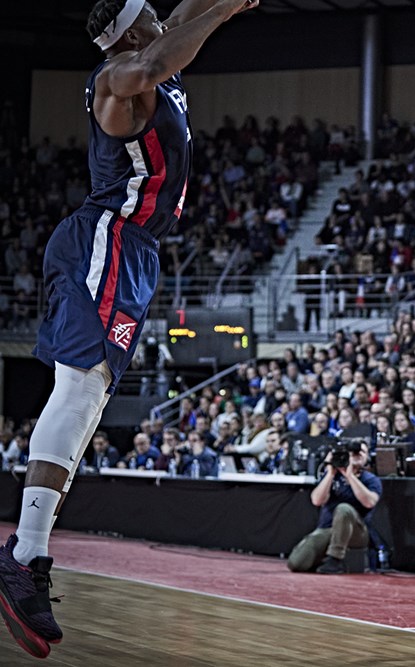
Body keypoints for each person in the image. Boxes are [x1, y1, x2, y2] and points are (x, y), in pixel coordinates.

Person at [0, 1, 258, 659]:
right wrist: (225, 13)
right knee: (80, 388)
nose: (164, 18)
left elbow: (182, 19)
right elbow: (158, 53)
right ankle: (23, 554)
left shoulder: (156, 51)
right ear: (135, 30)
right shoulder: (120, 77)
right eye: (153, 16)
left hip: (135, 250)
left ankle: (27, 553)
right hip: (107, 236)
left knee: (88, 401)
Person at [287, 442, 381, 574]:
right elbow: (317, 500)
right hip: (329, 529)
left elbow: (369, 502)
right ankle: (324, 559)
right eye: (352, 453)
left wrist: (350, 476)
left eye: (361, 452)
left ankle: (335, 560)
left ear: (367, 457)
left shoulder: (371, 479)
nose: (356, 456)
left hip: (357, 532)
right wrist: (330, 473)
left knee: (343, 509)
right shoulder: (333, 477)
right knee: (296, 563)